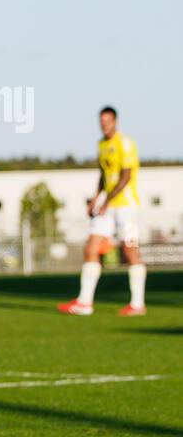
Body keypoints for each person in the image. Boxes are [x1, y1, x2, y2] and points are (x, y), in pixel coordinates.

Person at [58, 106, 146, 316]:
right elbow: (103, 174)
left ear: (115, 121)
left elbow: (126, 176)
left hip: (126, 206)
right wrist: (96, 199)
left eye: (108, 121)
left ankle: (137, 304)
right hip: (107, 204)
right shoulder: (102, 144)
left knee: (130, 250)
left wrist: (108, 200)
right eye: (102, 121)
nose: (104, 125)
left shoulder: (125, 143)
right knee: (91, 248)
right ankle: (84, 302)